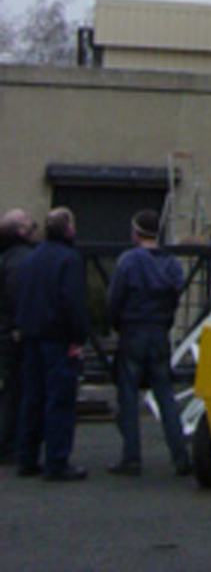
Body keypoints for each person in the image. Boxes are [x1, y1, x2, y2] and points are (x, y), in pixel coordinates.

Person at [107, 210, 190, 477]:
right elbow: (176, 297)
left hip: (133, 331)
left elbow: (114, 299)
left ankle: (131, 457)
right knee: (166, 395)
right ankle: (180, 456)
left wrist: (116, 324)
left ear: (136, 232)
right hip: (158, 332)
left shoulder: (128, 261)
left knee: (128, 396)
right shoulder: (172, 264)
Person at [12, 206, 90, 481]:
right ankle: (57, 462)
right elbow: (73, 303)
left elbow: (19, 297)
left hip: (31, 336)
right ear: (69, 229)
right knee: (60, 401)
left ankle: (26, 457)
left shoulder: (30, 260)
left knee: (32, 399)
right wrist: (77, 338)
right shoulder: (70, 260)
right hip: (58, 339)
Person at [0, 208, 38, 466]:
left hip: (5, 330)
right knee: (16, 389)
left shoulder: (6, 258)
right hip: (13, 333)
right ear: (22, 232)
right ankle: (10, 443)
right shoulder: (23, 260)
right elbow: (17, 296)